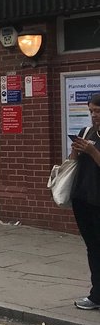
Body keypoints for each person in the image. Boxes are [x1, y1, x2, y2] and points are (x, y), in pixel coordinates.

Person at [70, 92, 100, 310]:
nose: (94, 115)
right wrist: (75, 151)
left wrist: (92, 150)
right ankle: (96, 294)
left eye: (97, 111)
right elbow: (73, 163)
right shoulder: (86, 132)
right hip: (83, 199)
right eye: (91, 111)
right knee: (92, 248)